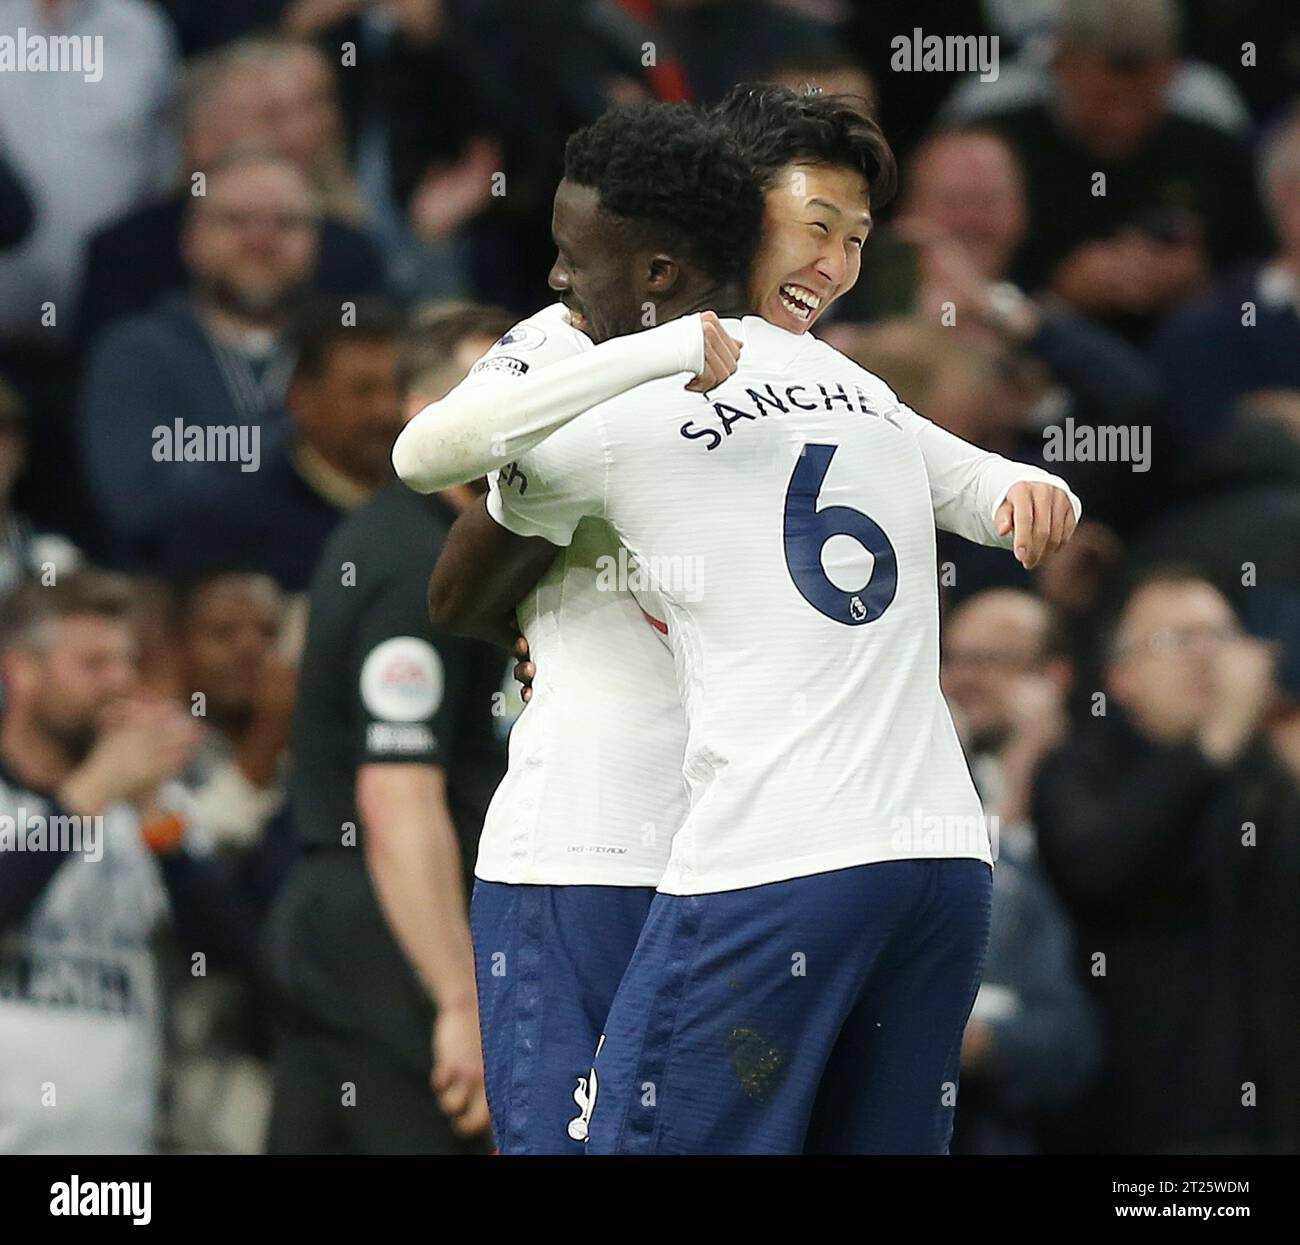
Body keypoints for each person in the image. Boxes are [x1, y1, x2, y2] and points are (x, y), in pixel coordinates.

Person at [401, 96, 1081, 1154]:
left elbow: (969, 475)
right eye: (815, 228)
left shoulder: (830, 380)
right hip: (601, 839)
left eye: (858, 240)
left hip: (747, 852)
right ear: (725, 222)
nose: (838, 265)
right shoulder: (571, 333)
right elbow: (455, 578)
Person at [262, 303, 512, 1155]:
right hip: (391, 939)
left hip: (353, 938)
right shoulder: (417, 562)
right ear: (426, 413)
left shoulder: (461, 542)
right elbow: (397, 792)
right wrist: (458, 997)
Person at [1032, 567, 1300, 1154]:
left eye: (1223, 638)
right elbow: (1101, 872)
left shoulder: (1272, 774)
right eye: (1179, 641)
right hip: (1130, 1123)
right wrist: (1211, 749)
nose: (1209, 660)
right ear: (1122, 677)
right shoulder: (1081, 769)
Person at [0, 572, 257, 1153]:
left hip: (114, 1145)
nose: (118, 681)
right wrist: (84, 798)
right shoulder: (82, 796)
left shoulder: (148, 808)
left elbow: (229, 949)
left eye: (126, 662)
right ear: (21, 671)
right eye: (93, 664)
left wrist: (155, 816)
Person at [80, 150, 319, 570]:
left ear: (317, 242)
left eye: (285, 222)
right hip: (184, 607)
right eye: (236, 220)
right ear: (189, 240)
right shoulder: (137, 351)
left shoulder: (348, 348)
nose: (260, 240)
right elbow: (138, 501)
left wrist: (213, 469)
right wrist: (300, 445)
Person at [78, 35, 385, 351]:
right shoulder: (126, 256)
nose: (298, 135)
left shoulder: (347, 254)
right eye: (271, 118)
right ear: (201, 138)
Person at [939, 589, 1101, 1153]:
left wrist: (1026, 771)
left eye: (988, 661)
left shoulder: (1093, 785)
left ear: (1052, 678)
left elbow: (1068, 1037)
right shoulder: (922, 781)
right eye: (951, 659)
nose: (960, 679)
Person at [161, 297, 408, 590]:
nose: (387, 411)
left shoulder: (435, 506)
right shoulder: (233, 524)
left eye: (400, 388)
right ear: (301, 398)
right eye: (362, 391)